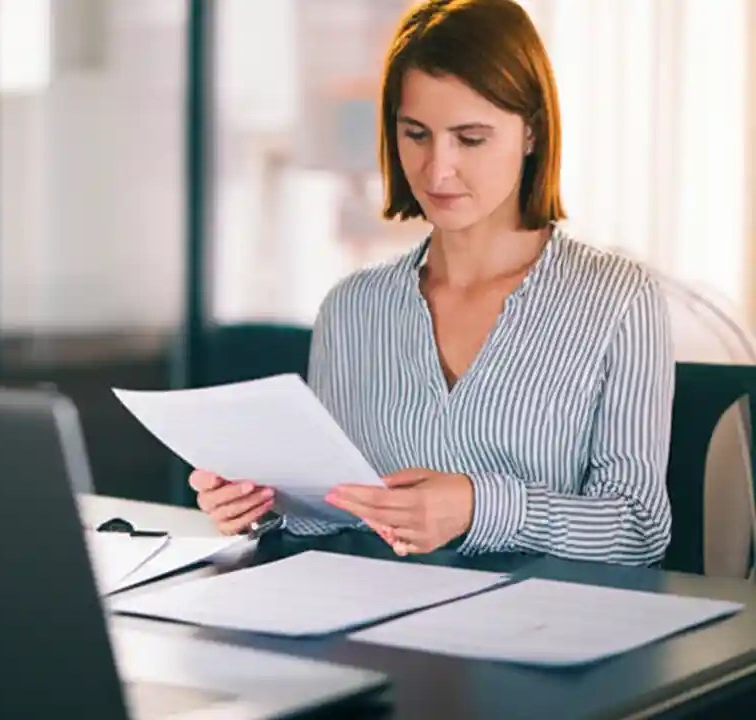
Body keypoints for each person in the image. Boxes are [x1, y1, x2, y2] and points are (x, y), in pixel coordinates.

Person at [190, 0, 674, 566]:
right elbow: (333, 513)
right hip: (370, 635)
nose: (437, 170)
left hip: (535, 635)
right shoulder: (352, 308)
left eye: (470, 139)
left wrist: (477, 507)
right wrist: (259, 506)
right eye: (416, 134)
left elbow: (639, 531)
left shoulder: (618, 299)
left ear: (531, 134)